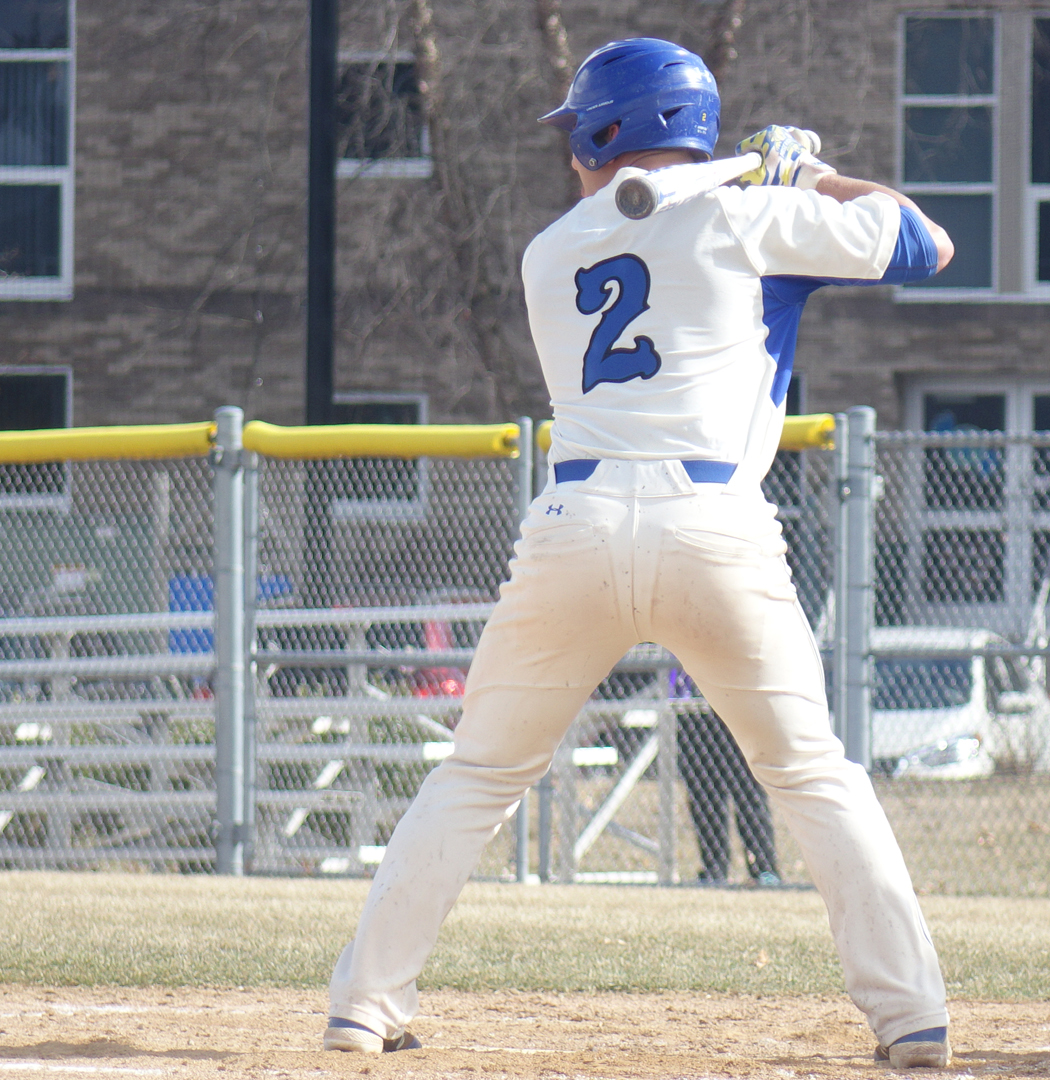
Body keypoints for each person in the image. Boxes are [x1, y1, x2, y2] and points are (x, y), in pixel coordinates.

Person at [324, 37, 955, 1068]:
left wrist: (762, 184)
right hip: (714, 526)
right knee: (809, 774)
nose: (571, 154)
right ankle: (911, 1020)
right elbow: (925, 241)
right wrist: (804, 173)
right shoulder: (749, 213)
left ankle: (363, 1006)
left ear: (614, 133)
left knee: (477, 772)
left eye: (583, 134)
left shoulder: (549, 251)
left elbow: (659, 238)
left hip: (572, 530)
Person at [670, 670, 779, 886]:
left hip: (737, 706)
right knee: (704, 795)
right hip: (693, 709)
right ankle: (714, 869)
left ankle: (764, 869)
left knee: (748, 791)